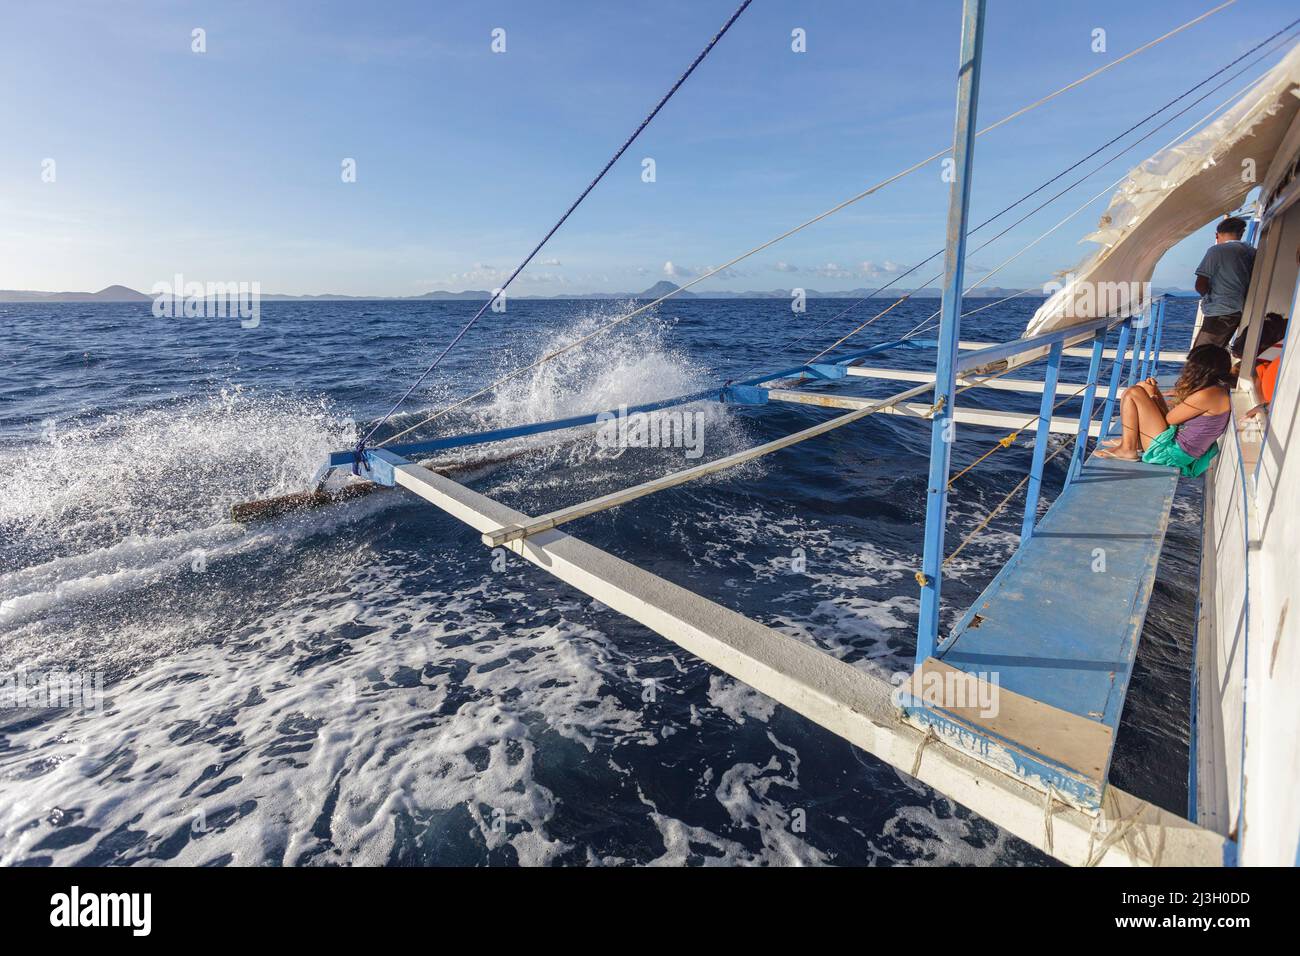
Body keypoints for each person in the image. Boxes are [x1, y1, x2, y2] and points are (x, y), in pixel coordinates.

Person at [1096, 344, 1232, 477]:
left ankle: (1128, 449)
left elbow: (1170, 419)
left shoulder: (1206, 395)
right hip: (1180, 449)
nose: (1186, 368)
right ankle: (1130, 441)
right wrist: (1154, 393)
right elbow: (1171, 420)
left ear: (1201, 369)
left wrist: (1153, 396)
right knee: (1140, 387)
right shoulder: (1217, 390)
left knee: (1133, 392)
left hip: (1170, 453)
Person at [1193, 216, 1256, 349]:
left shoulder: (1216, 251)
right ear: (1241, 233)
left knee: (1201, 355)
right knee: (1213, 351)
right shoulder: (1251, 252)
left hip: (1219, 311)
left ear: (1217, 235)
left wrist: (1208, 297)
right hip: (1240, 309)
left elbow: (1200, 284)